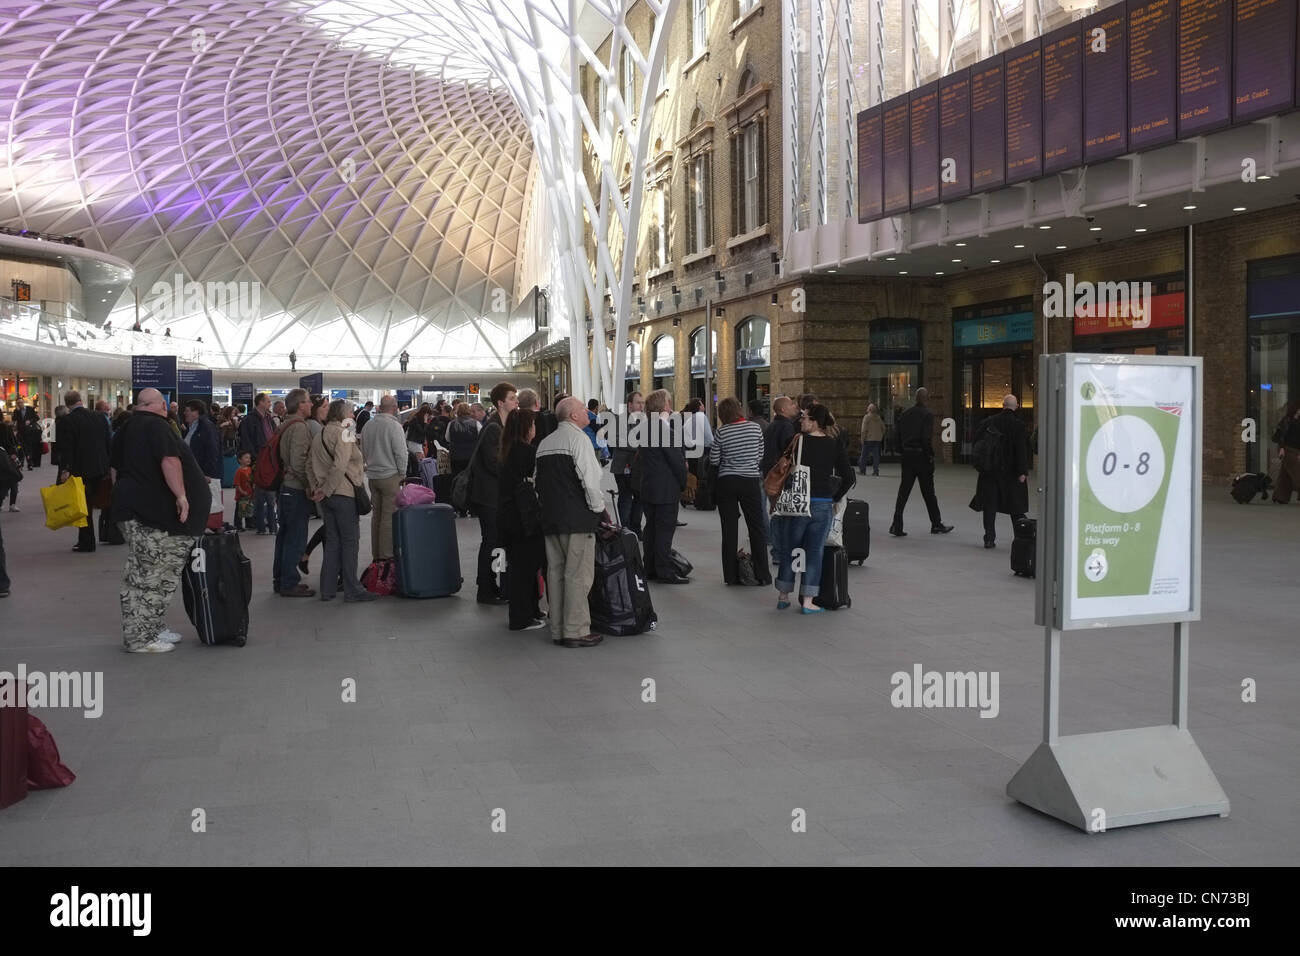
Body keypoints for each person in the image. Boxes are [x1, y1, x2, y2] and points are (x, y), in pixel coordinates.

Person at [109, 387, 210, 653]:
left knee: (146, 574)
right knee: (152, 576)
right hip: (156, 519)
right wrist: (182, 496)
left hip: (136, 512)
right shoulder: (157, 427)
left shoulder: (126, 428)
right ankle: (140, 638)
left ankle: (150, 627)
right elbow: (170, 460)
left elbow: (115, 469)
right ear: (158, 406)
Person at [534, 397, 607, 648]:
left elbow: (537, 483)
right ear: (573, 416)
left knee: (555, 574)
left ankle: (558, 629)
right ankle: (575, 631)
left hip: (551, 520)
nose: (587, 412)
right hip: (577, 520)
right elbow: (590, 479)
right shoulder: (579, 440)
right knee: (578, 575)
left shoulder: (545, 443)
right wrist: (598, 510)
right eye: (582, 409)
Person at [775, 404, 855, 613]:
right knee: (815, 552)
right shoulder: (834, 444)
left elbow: (781, 459)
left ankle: (783, 595)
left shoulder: (797, 440)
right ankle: (809, 601)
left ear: (814, 421)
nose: (801, 420)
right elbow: (849, 477)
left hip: (798, 503)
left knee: (790, 548)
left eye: (804, 417)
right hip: (822, 504)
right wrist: (834, 498)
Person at [307, 400, 374, 602]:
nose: (353, 417)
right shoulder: (345, 432)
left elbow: (308, 465)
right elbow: (340, 465)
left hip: (326, 497)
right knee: (350, 541)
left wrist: (316, 489)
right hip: (342, 494)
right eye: (351, 413)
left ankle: (327, 589)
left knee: (334, 542)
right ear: (343, 415)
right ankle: (352, 589)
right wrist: (327, 490)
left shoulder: (319, 434)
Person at [710, 397, 770, 586]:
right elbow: (761, 454)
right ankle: (762, 574)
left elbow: (714, 460)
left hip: (727, 482)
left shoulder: (721, 432)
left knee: (729, 530)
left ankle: (731, 576)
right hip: (750, 481)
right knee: (756, 528)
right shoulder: (754, 428)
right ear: (739, 410)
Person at [468, 382, 518, 604]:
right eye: (512, 398)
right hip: (489, 496)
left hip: (495, 495)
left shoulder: (503, 425)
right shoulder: (494, 428)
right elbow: (492, 462)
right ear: (501, 403)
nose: (516, 402)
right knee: (491, 541)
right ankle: (486, 588)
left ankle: (493, 585)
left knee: (497, 541)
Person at [497, 409, 546, 630]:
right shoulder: (527, 452)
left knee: (520, 566)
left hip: (509, 516)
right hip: (524, 517)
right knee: (526, 569)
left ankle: (530, 610)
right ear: (527, 428)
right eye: (533, 425)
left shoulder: (507, 450)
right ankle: (521, 617)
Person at [639, 389, 688, 583]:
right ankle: (664, 571)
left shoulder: (645, 428)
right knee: (664, 531)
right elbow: (677, 462)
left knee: (651, 529)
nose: (670, 405)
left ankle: (650, 567)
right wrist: (683, 483)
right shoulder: (663, 429)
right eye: (668, 402)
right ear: (664, 406)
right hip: (665, 489)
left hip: (649, 487)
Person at [968, 395, 1031, 548]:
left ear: (1003, 405)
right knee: (1016, 507)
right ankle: (1020, 538)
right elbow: (1021, 450)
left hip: (990, 471)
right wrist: (1022, 471)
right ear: (1015, 406)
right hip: (1011, 472)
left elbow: (976, 442)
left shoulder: (988, 422)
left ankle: (989, 538)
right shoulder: (1018, 425)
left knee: (990, 506)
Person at [889, 388, 953, 537]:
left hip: (907, 456)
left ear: (916, 398)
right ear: (927, 398)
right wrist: (930, 454)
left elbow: (896, 436)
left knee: (903, 492)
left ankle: (896, 524)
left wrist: (902, 450)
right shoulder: (927, 414)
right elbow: (926, 438)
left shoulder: (905, 414)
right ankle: (936, 524)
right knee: (929, 492)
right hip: (921, 456)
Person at [55, 390, 111, 553]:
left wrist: (65, 469)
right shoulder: (99, 417)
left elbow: (67, 448)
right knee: (95, 502)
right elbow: (108, 441)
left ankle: (87, 541)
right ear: (80, 400)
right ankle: (91, 537)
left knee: (83, 506)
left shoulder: (67, 421)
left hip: (81, 470)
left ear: (67, 404)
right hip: (100, 468)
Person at [272, 388, 315, 597]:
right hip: (295, 488)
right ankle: (289, 582)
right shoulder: (298, 427)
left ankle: (280, 579)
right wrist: (309, 484)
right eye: (308, 402)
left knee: (285, 535)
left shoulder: (284, 424)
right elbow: (299, 462)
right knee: (295, 538)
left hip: (285, 488)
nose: (311, 405)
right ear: (300, 405)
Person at [361, 394, 407, 563]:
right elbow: (401, 453)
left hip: (373, 477)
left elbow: (363, 450)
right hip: (391, 476)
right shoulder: (395, 426)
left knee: (377, 517)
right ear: (394, 408)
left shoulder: (368, 425)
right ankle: (386, 557)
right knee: (388, 518)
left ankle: (376, 556)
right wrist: (402, 474)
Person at [760, 395, 800, 563]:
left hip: (770, 474)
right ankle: (779, 551)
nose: (794, 407)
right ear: (783, 409)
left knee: (776, 512)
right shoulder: (786, 427)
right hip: (781, 477)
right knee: (782, 514)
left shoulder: (772, 426)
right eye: (791, 404)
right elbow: (789, 453)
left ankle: (778, 551)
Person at [239, 393, 278, 535]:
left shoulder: (269, 419)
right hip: (258, 460)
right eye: (267, 401)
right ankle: (260, 523)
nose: (269, 404)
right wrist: (253, 458)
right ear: (260, 403)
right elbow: (247, 439)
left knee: (268, 493)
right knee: (260, 494)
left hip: (269, 460)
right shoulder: (250, 419)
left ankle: (269, 523)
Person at [610, 391, 644, 535]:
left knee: (639, 497)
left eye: (643, 403)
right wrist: (638, 446)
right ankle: (625, 529)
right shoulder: (620, 420)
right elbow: (615, 440)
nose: (641, 406)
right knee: (625, 497)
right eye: (638, 403)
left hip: (638, 467)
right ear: (630, 404)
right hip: (623, 466)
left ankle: (635, 528)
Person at [447, 403, 479, 513]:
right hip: (471, 458)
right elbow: (481, 438)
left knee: (457, 482)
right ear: (469, 411)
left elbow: (447, 438)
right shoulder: (476, 424)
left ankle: (459, 507)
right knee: (471, 482)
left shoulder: (451, 424)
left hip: (456, 457)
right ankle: (472, 507)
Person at [1271, 400, 1300, 504]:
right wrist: (1282, 448)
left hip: (1296, 449)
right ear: (1296, 409)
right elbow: (1282, 435)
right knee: (1297, 471)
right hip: (1286, 449)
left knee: (1286, 474)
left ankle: (1280, 496)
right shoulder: (1288, 420)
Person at [14, 398, 42, 470]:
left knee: (28, 448)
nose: (20, 404)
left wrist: (30, 421)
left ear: (23, 402)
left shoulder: (30, 409)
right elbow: (14, 419)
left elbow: (37, 418)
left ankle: (30, 464)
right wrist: (16, 411)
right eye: (18, 403)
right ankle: (22, 463)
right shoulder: (16, 411)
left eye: (21, 402)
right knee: (20, 448)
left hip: (30, 432)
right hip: (21, 432)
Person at [0, 412, 20, 511]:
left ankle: (4, 502)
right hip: (6, 457)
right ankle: (12, 504)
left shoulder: (5, 427)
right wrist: (13, 453)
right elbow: (11, 442)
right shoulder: (5, 427)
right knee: (13, 479)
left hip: (6, 456)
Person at [859, 403, 885, 476]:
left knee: (864, 456)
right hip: (877, 440)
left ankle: (862, 471)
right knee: (876, 456)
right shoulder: (878, 418)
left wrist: (862, 439)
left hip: (868, 439)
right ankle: (876, 471)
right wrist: (880, 435)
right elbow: (883, 428)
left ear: (869, 409)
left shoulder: (866, 417)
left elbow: (863, 430)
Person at [233, 450, 254, 531]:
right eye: (246, 458)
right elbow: (237, 484)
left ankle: (249, 524)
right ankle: (238, 525)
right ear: (240, 460)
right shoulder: (239, 471)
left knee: (248, 509)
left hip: (249, 495)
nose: (248, 459)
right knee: (239, 511)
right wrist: (242, 492)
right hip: (241, 496)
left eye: (249, 458)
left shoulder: (250, 469)